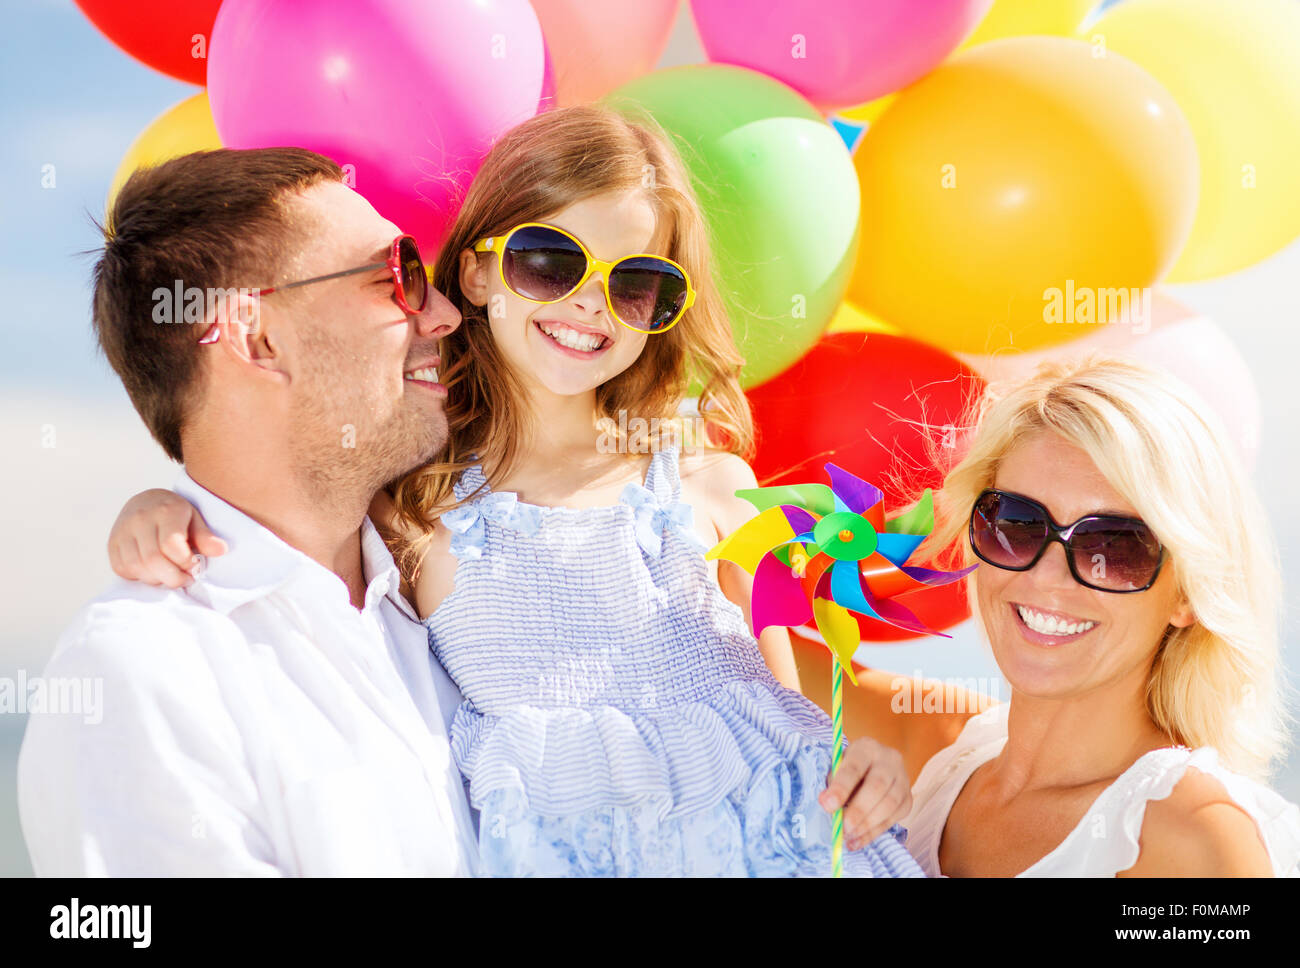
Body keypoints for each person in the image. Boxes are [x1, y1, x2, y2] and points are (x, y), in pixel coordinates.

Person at [102, 104, 923, 877]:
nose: (590, 303)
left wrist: (860, 767)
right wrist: (162, 507)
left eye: (636, 283)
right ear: (480, 274)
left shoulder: (711, 486)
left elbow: (786, 710)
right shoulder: (413, 506)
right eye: (550, 262)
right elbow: (281, 499)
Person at [18, 147, 479, 875]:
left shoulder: (454, 605)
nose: (446, 313)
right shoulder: (138, 675)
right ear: (256, 337)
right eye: (400, 273)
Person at [816, 356, 1300, 876]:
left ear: (1187, 594)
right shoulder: (935, 746)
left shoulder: (1193, 837)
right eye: (1016, 523)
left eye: (1113, 546)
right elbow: (725, 644)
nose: (1047, 577)